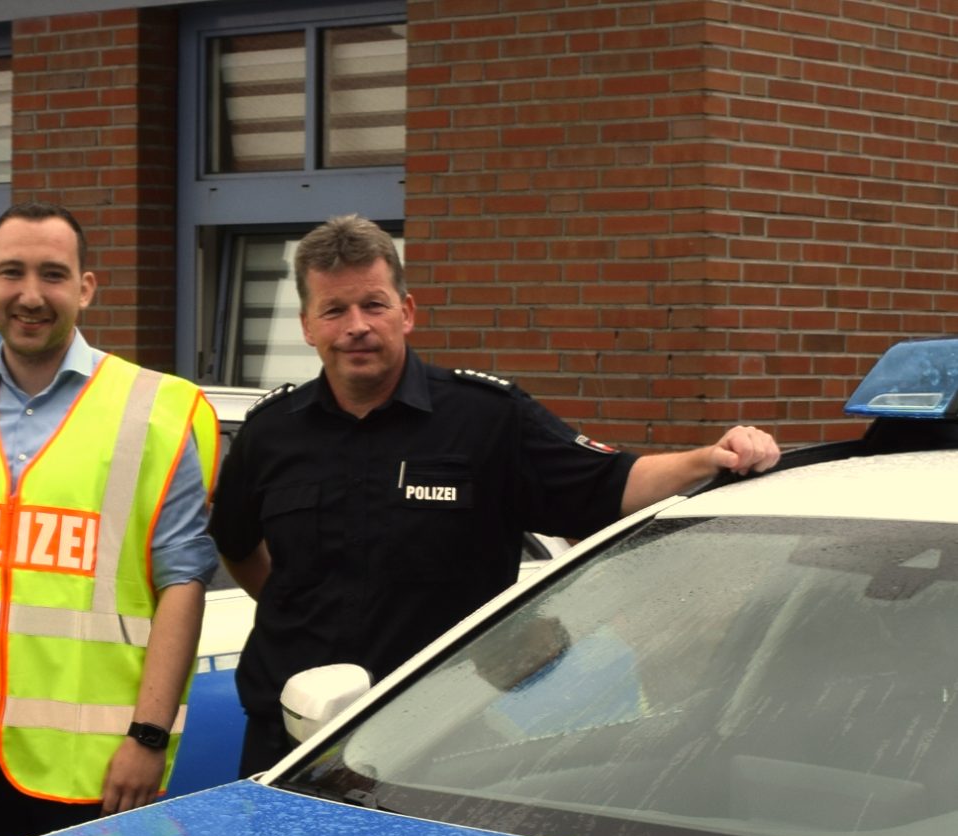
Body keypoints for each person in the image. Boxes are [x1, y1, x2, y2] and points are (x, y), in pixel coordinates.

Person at [212, 214, 780, 776]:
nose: (356, 326)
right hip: (289, 742)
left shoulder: (487, 419)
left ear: (406, 312)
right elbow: (236, 545)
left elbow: (612, 485)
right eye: (334, 310)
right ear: (307, 326)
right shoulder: (270, 433)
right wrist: (301, 615)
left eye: (373, 304)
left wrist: (709, 457)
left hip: (436, 743)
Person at [0, 202, 222, 836]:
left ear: (85, 288)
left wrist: (148, 738)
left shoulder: (158, 410)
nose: (31, 295)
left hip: (95, 772)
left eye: (53, 274)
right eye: (12, 272)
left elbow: (183, 583)